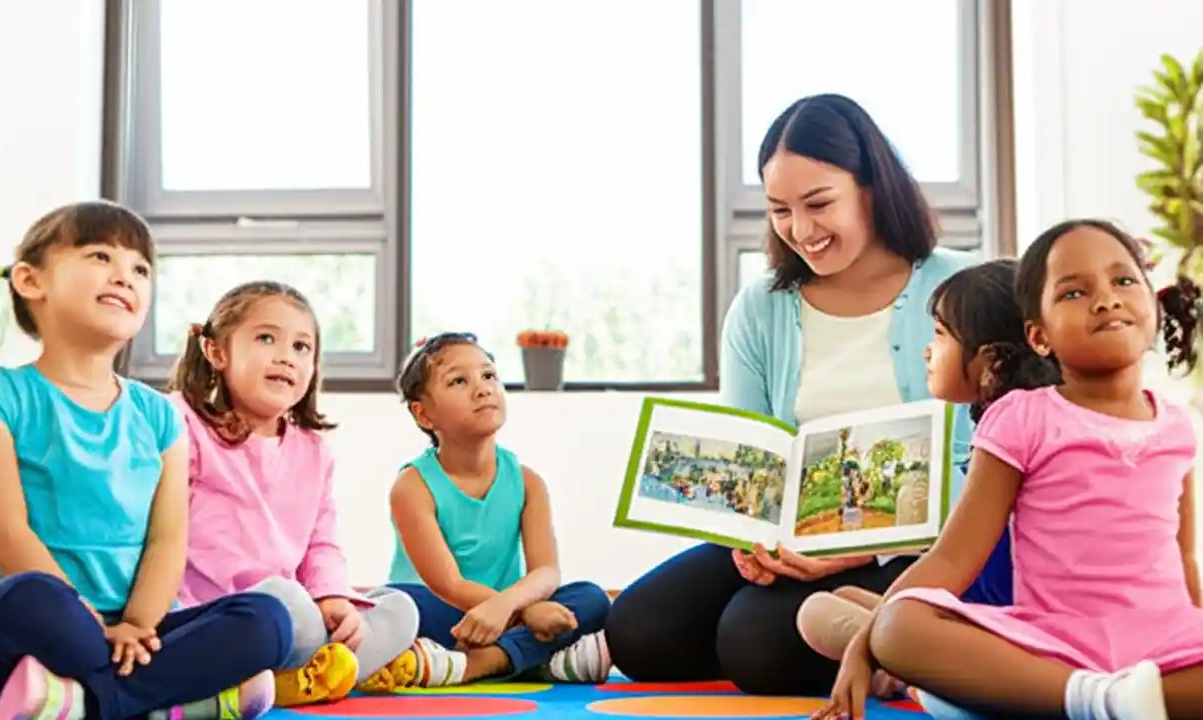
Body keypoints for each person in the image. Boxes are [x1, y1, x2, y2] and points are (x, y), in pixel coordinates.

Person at [604, 92, 978, 695]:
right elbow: (750, 448)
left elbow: (986, 464)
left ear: (872, 187)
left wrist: (857, 547)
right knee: (637, 631)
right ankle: (882, 647)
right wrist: (748, 539)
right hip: (797, 541)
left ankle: (906, 654)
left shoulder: (960, 286)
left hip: (920, 543)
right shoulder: (761, 307)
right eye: (780, 210)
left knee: (754, 647)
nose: (801, 231)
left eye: (819, 203)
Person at [816, 219, 1203, 720]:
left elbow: (1185, 560)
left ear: (1153, 302)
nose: (1106, 299)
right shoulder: (1022, 418)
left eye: (1124, 281)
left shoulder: (1178, 426)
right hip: (1052, 643)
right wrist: (867, 645)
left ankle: (1081, 702)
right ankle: (1095, 699)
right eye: (1074, 292)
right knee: (898, 625)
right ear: (1039, 337)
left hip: (1162, 644)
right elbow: (952, 561)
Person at [0, 201, 291, 720]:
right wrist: (84, 619)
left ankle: (92, 703)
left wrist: (139, 623)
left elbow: (168, 538)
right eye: (101, 256)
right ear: (31, 281)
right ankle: (162, 700)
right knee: (29, 598)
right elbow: (5, 531)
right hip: (32, 635)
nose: (125, 275)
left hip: (134, 637)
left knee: (267, 620)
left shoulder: (158, 416)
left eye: (141, 269)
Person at [795, 259, 1059, 701]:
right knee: (837, 600)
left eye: (940, 334)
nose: (926, 350)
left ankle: (917, 679)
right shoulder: (1026, 419)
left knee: (825, 613)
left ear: (990, 361)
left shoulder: (1006, 433)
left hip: (1004, 629)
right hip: (981, 613)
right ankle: (905, 670)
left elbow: (956, 561)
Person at [168, 280, 421, 706]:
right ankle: (301, 672)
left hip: (297, 613)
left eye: (302, 347)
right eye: (267, 338)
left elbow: (321, 543)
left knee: (399, 608)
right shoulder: (184, 423)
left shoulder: (313, 451)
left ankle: (287, 681)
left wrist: (333, 597)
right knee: (285, 603)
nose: (286, 356)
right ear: (217, 352)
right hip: (219, 615)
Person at [387, 333, 612, 686]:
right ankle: (538, 660)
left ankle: (479, 664)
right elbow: (448, 583)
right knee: (397, 605)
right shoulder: (412, 487)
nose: (482, 389)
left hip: (505, 614)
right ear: (424, 413)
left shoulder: (529, 482)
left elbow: (546, 572)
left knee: (592, 599)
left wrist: (508, 607)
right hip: (446, 610)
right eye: (459, 381)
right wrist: (526, 612)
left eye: (489, 376)